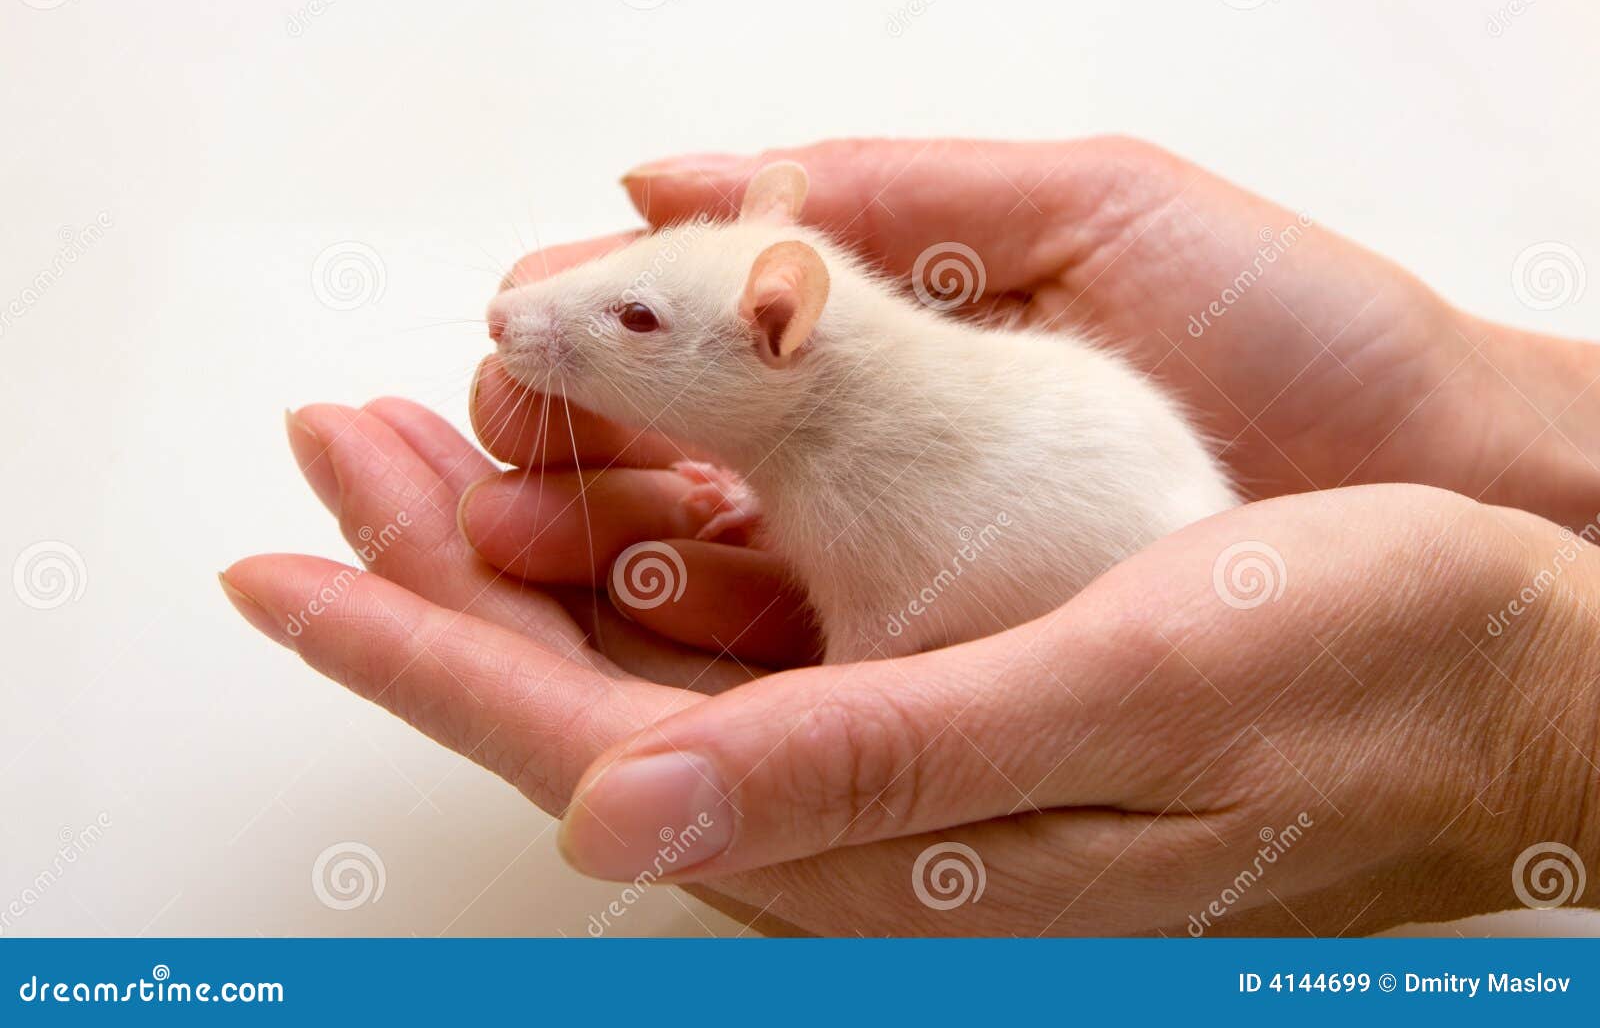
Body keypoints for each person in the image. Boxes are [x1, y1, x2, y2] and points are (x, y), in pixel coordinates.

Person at [220, 138, 1600, 935]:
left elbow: (883, 619)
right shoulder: (810, 431)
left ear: (780, 336)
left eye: (631, 320)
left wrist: (1539, 718)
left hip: (1150, 561)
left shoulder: (868, 466)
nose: (532, 325)